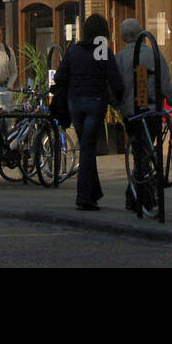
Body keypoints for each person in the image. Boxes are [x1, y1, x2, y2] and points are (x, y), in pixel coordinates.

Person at [52, 14, 121, 211]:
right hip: (95, 102)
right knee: (88, 149)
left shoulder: (74, 50)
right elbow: (114, 79)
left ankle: (93, 192)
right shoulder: (102, 51)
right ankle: (84, 197)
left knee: (86, 146)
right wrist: (118, 98)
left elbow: (59, 76)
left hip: (75, 103)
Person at [115, 18, 172, 214]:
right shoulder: (154, 54)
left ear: (123, 37)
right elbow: (165, 83)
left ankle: (140, 197)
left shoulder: (120, 58)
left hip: (132, 112)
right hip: (153, 110)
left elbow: (114, 86)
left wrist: (118, 105)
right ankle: (138, 195)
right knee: (146, 151)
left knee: (140, 152)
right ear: (140, 34)